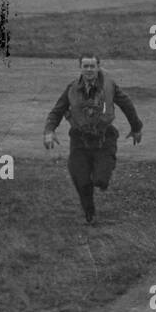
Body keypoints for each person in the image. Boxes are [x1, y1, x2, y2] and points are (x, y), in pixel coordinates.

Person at [43, 54, 143, 225]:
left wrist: (136, 128)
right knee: (80, 179)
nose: (89, 70)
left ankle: (102, 177)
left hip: (104, 138)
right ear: (80, 68)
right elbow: (57, 111)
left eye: (92, 66)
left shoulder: (109, 86)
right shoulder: (72, 88)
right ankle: (90, 212)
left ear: (98, 67)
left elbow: (126, 104)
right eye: (85, 66)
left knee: (100, 179)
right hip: (79, 140)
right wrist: (49, 130)